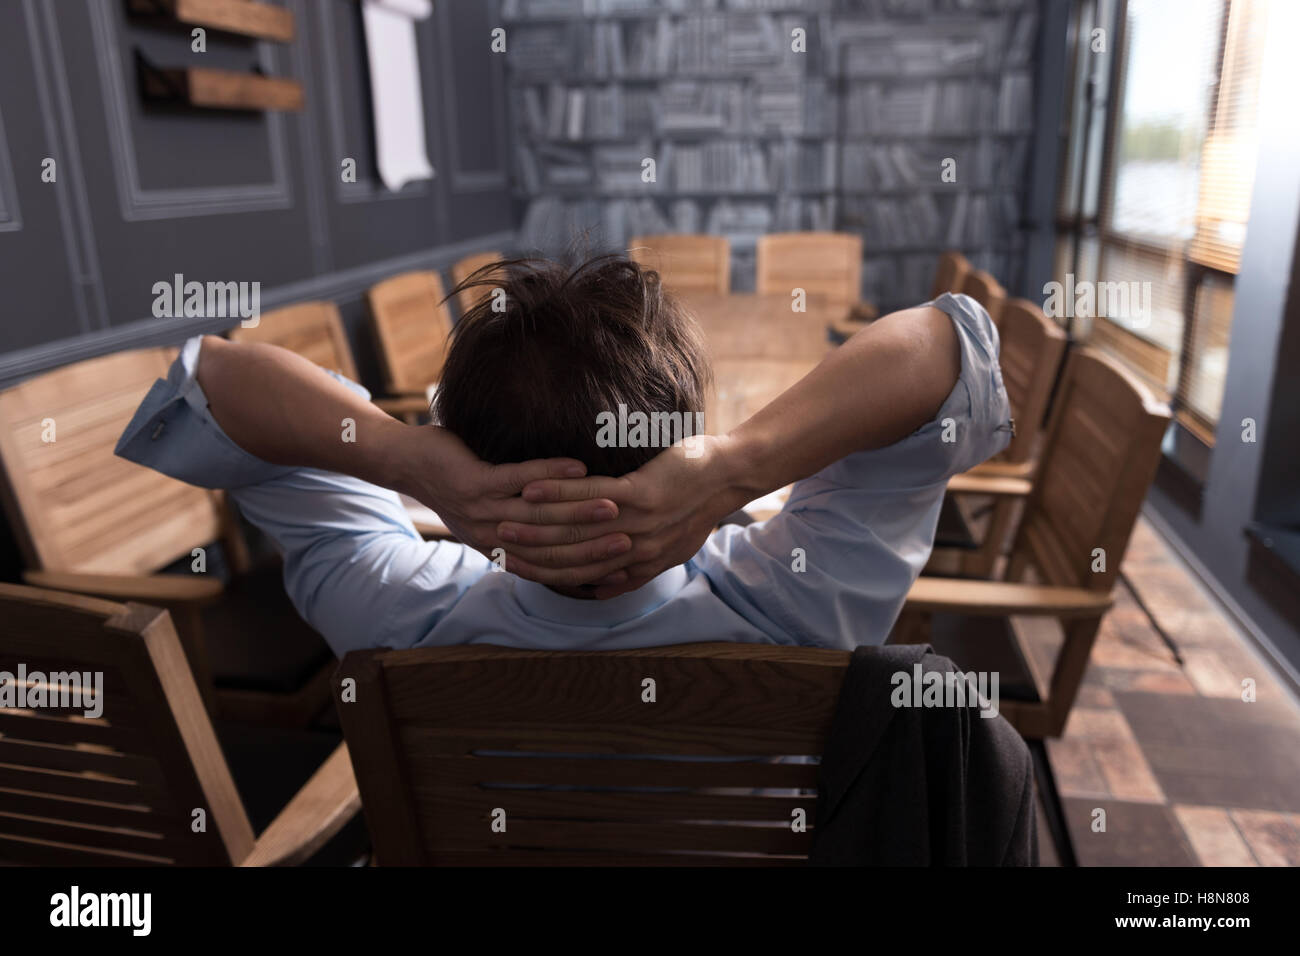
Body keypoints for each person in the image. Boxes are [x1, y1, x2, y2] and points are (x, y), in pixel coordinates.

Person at [117, 255, 1011, 655]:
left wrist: (413, 462)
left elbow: (214, 378)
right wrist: (736, 466)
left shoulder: (389, 612)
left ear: (464, 444)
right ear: (682, 442)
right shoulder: (809, 603)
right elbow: (945, 348)